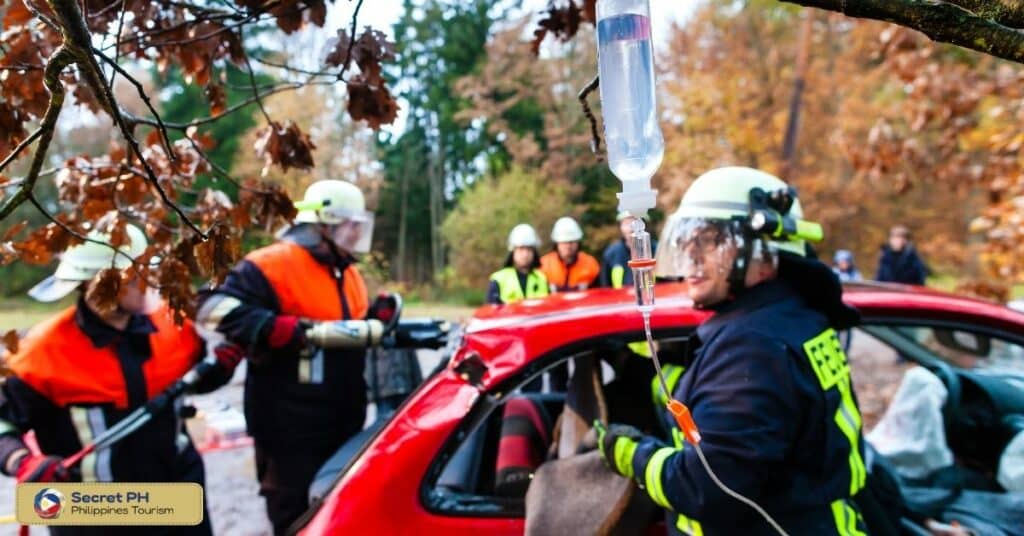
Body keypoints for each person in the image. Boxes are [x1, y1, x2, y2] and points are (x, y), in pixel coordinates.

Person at [595, 167, 868, 535]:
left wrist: (629, 453)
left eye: (710, 240)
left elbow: (702, 487)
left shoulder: (755, 347)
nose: (691, 256)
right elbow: (729, 403)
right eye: (688, 241)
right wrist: (647, 378)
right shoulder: (794, 319)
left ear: (766, 253)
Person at [0, 225, 241, 536]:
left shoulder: (172, 327)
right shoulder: (44, 351)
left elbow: (192, 383)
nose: (147, 282)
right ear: (99, 282)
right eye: (134, 274)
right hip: (91, 511)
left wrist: (220, 368)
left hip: (174, 496)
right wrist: (22, 461)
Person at [196, 180, 375, 535]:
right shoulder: (272, 264)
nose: (357, 233)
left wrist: (377, 324)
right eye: (350, 224)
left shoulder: (348, 273)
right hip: (288, 427)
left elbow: (346, 333)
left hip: (341, 420)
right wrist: (268, 327)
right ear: (324, 224)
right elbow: (208, 306)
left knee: (336, 512)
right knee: (294, 514)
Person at [487, 223, 550, 305]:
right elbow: (490, 311)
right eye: (521, 249)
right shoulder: (498, 279)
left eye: (529, 249)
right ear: (513, 251)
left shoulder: (541, 278)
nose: (525, 254)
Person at [540, 217, 600, 293]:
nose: (568, 246)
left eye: (571, 242)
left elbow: (599, 294)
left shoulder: (590, 264)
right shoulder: (544, 265)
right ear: (557, 243)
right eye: (564, 242)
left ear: (578, 242)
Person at [599, 211, 657, 289]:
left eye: (636, 223)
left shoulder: (657, 250)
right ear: (620, 226)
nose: (631, 228)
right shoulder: (611, 253)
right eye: (626, 223)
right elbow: (605, 287)